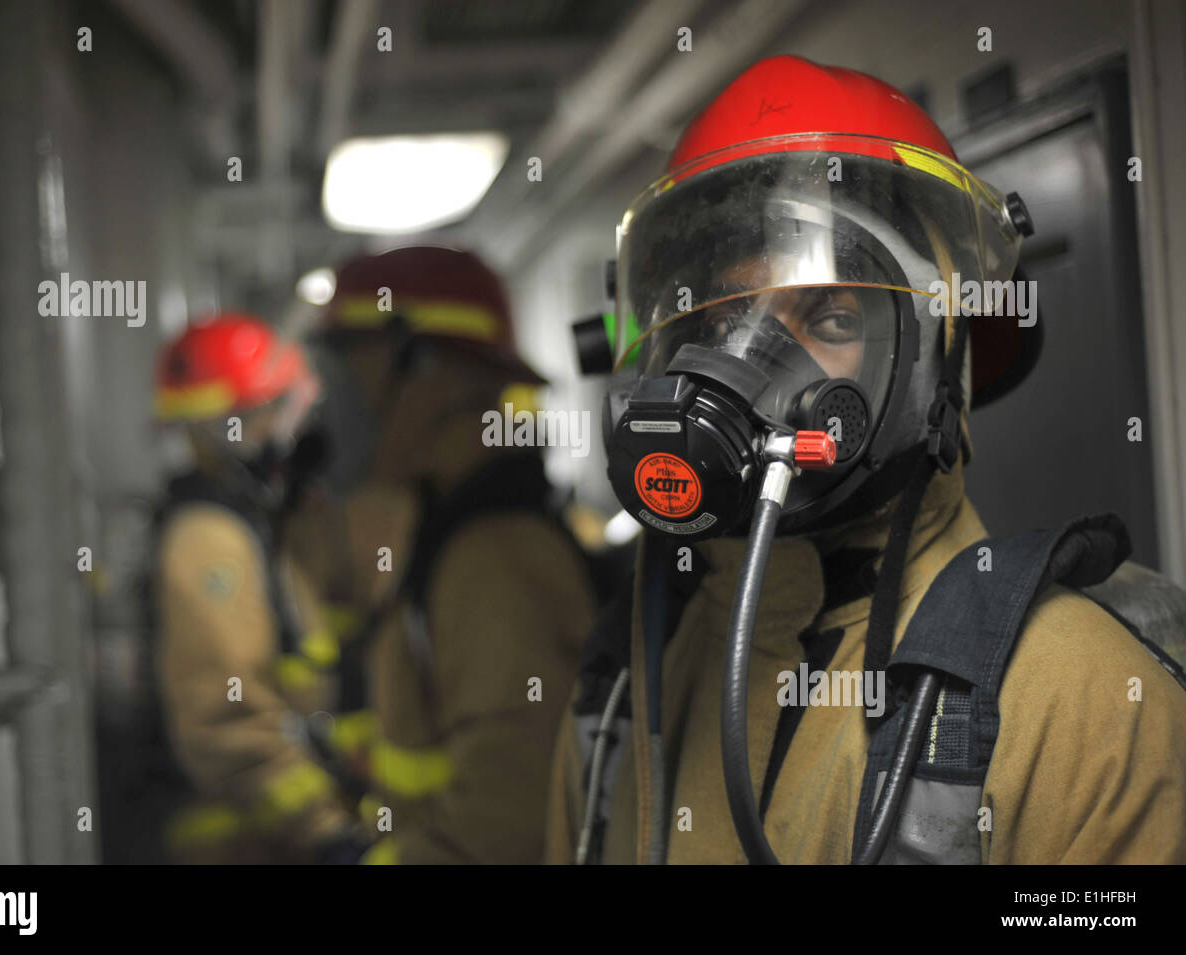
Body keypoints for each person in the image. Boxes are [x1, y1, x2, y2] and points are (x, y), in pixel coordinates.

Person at [547, 55, 1186, 865]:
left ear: (934, 367)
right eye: (725, 319)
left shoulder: (1080, 702)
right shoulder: (625, 682)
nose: (755, 364)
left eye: (833, 319)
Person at [310, 246, 599, 864]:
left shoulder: (495, 560)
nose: (332, 408)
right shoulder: (452, 530)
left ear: (425, 370)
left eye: (347, 375)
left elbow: (505, 824)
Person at [151, 312, 367, 863]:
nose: (285, 432)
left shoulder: (248, 524)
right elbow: (228, 725)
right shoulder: (209, 538)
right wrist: (328, 834)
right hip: (243, 844)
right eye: (273, 412)